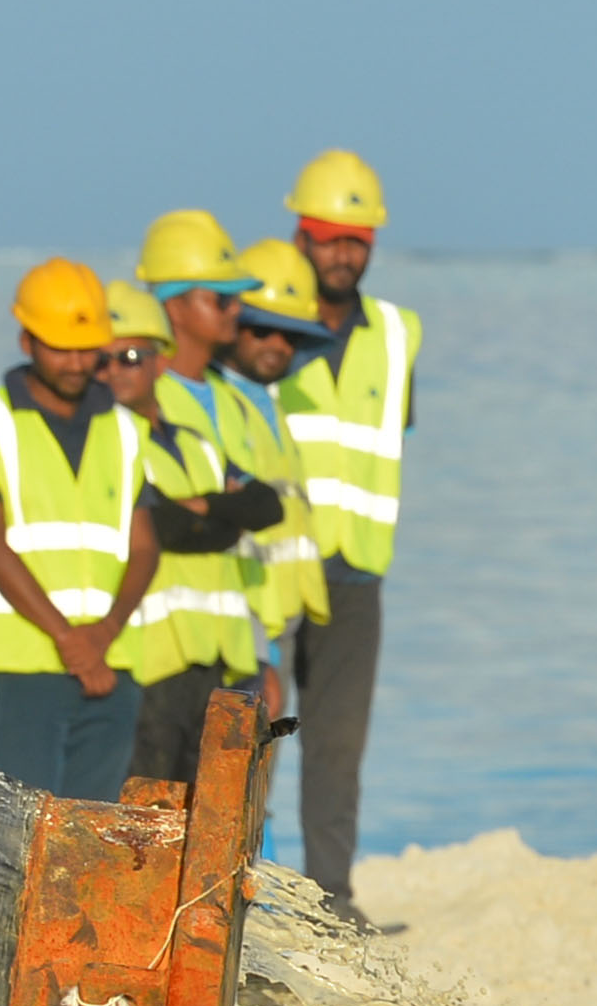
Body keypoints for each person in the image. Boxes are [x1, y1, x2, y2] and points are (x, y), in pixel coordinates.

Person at [0, 259, 164, 802]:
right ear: (27, 340)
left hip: (113, 663)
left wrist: (103, 634)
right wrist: (69, 640)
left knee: (95, 824)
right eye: (60, 348)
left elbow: (144, 547)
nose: (76, 362)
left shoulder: (125, 430)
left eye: (87, 348)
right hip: (30, 662)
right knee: (19, 822)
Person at [276, 147, 416, 916]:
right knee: (256, 732)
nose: (342, 253)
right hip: (271, 567)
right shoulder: (265, 323)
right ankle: (244, 885)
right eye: (329, 237)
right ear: (300, 234)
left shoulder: (396, 336)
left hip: (356, 568)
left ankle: (332, 898)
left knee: (338, 742)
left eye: (356, 240)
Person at [98, 274, 281, 781]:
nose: (112, 372)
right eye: (100, 361)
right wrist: (219, 513)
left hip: (224, 657)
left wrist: (199, 509)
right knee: (151, 807)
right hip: (153, 663)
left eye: (128, 357)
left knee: (219, 808)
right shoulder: (107, 445)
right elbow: (165, 525)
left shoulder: (195, 441)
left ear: (160, 361)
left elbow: (265, 506)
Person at [213, 238, 332, 672]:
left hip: (281, 617)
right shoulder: (215, 402)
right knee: (235, 718)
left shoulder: (270, 403)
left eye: (292, 335)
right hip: (241, 622)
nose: (278, 345)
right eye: (262, 330)